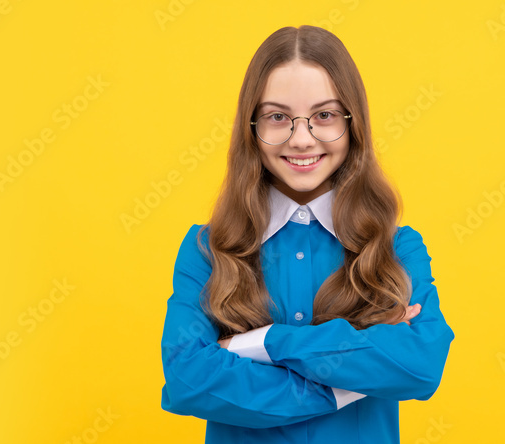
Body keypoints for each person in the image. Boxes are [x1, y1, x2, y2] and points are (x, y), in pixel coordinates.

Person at [159, 25, 455, 443]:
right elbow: (188, 380)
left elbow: (420, 366)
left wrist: (261, 343)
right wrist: (343, 385)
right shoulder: (207, 251)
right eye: (278, 117)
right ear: (252, 127)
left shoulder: (397, 249)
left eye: (325, 116)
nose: (301, 139)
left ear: (353, 124)